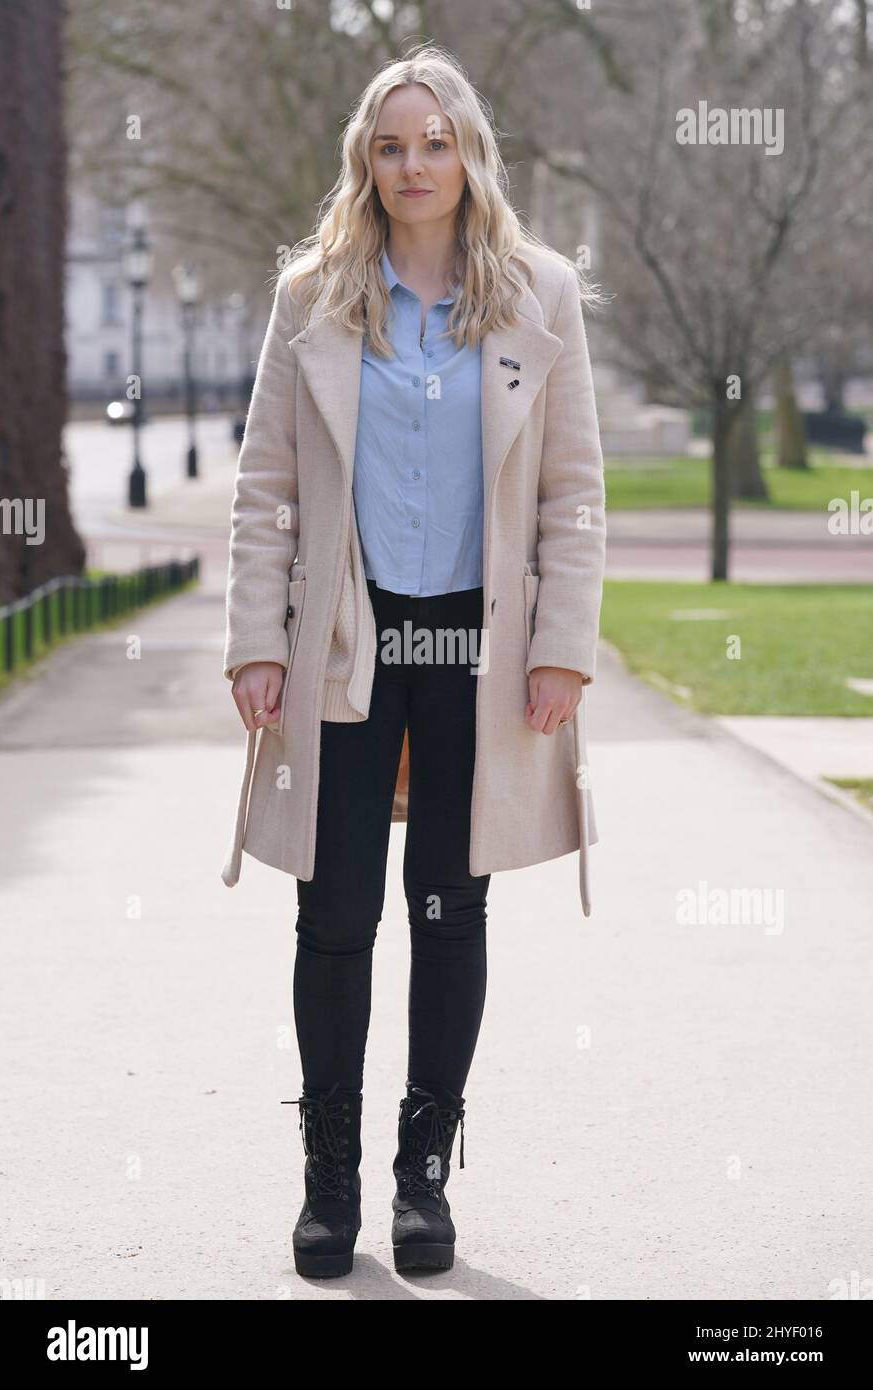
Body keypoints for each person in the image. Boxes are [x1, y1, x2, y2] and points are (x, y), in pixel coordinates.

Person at [222, 43, 606, 1279]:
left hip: (477, 654)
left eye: (434, 141)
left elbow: (573, 493)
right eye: (391, 145)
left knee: (449, 912)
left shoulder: (538, 293)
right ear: (365, 163)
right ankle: (328, 1178)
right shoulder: (314, 295)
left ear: (469, 152)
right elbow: (265, 487)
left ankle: (421, 1179)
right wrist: (253, 643)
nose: (414, 164)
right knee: (335, 917)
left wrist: (562, 651)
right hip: (347, 642)